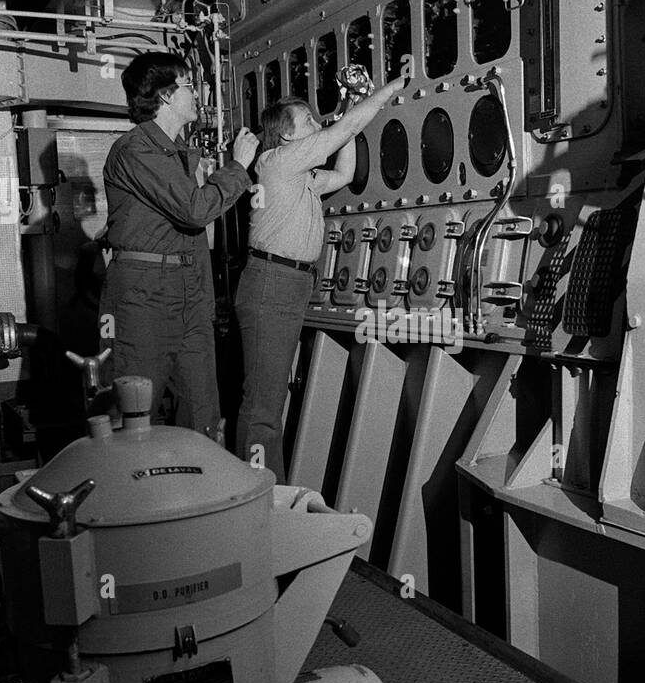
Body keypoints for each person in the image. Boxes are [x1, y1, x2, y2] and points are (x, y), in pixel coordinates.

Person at [235, 63, 412, 480]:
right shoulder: (278, 161)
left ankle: (264, 486)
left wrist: (350, 108)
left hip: (286, 285)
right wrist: (391, 87)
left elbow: (346, 171)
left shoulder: (296, 175)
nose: (318, 123)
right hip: (272, 286)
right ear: (288, 136)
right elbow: (341, 130)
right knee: (262, 405)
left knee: (269, 398)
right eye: (308, 120)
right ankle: (260, 492)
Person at [100, 51, 257, 436]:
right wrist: (237, 166)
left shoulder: (175, 155)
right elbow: (194, 211)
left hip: (188, 294)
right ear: (166, 95)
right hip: (144, 298)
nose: (196, 94)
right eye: (188, 85)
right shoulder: (135, 150)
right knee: (133, 415)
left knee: (203, 414)